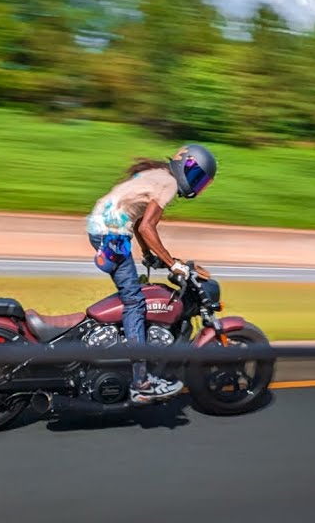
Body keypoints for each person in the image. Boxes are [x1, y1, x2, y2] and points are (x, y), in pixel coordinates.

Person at [86, 143, 217, 405]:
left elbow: (137, 224)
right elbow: (147, 227)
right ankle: (141, 382)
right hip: (111, 233)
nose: (197, 185)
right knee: (134, 302)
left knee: (132, 292)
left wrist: (148, 254)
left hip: (101, 227)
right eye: (198, 177)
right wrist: (172, 264)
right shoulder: (169, 183)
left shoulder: (157, 174)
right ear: (187, 167)